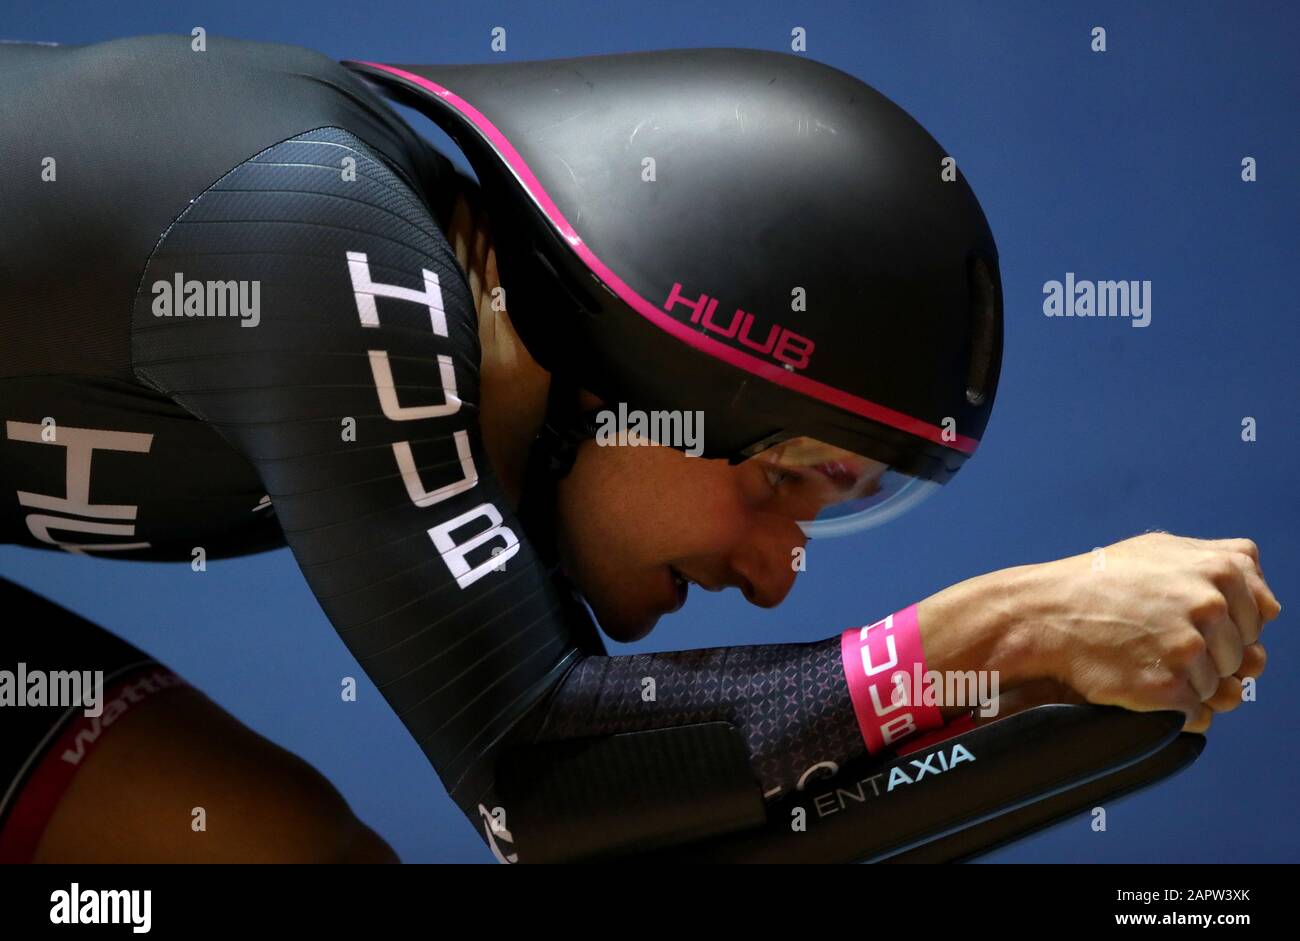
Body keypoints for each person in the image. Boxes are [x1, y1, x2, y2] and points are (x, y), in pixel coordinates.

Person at [0, 35, 1277, 863]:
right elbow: (536, 779)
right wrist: (1002, 633)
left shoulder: (377, 268)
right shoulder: (321, 250)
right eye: (786, 480)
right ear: (636, 364)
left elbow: (579, 788)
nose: (779, 569)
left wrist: (977, 689)